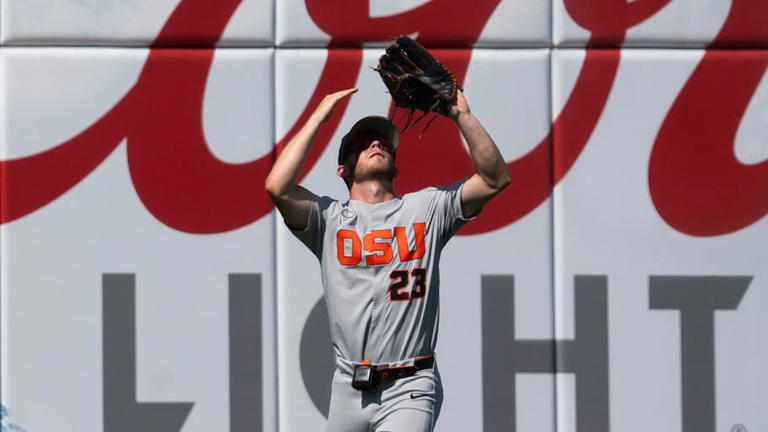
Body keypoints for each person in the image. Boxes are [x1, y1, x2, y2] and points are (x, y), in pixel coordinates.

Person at [265, 87, 511, 432]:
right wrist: (319, 119)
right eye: (362, 144)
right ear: (342, 169)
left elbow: (494, 178)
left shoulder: (426, 208)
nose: (376, 145)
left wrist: (461, 116)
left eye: (383, 142)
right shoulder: (329, 218)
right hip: (348, 387)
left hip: (410, 384)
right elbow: (278, 186)